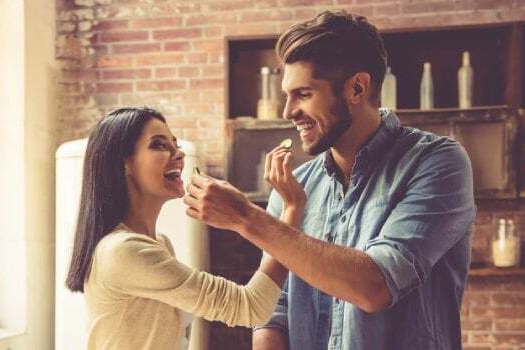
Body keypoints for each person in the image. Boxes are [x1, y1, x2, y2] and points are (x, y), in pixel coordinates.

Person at [184, 10, 476, 350]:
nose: (288, 112)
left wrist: (247, 218)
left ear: (357, 88)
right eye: (287, 94)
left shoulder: (437, 163)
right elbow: (275, 309)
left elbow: (376, 285)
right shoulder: (294, 188)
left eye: (303, 94)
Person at [65, 107, 306, 350]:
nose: (178, 154)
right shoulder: (123, 251)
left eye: (175, 144)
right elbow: (250, 308)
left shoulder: (158, 243)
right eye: (159, 145)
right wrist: (291, 209)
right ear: (123, 164)